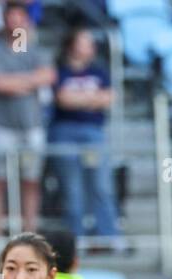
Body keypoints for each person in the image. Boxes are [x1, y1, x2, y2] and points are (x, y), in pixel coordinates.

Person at [0, 2, 55, 236]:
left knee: (31, 180)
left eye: (19, 19)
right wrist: (30, 81)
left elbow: (49, 76)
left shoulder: (36, 50)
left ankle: (29, 232)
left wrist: (16, 82)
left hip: (32, 126)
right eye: (10, 19)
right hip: (1, 126)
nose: (15, 24)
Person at [50, 27, 121, 245]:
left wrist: (77, 99)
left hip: (93, 132)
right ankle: (76, 238)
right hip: (65, 132)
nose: (91, 46)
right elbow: (62, 99)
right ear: (72, 45)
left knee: (101, 185)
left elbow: (109, 98)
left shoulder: (99, 71)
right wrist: (92, 98)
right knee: (72, 187)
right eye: (84, 41)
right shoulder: (59, 71)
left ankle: (109, 237)